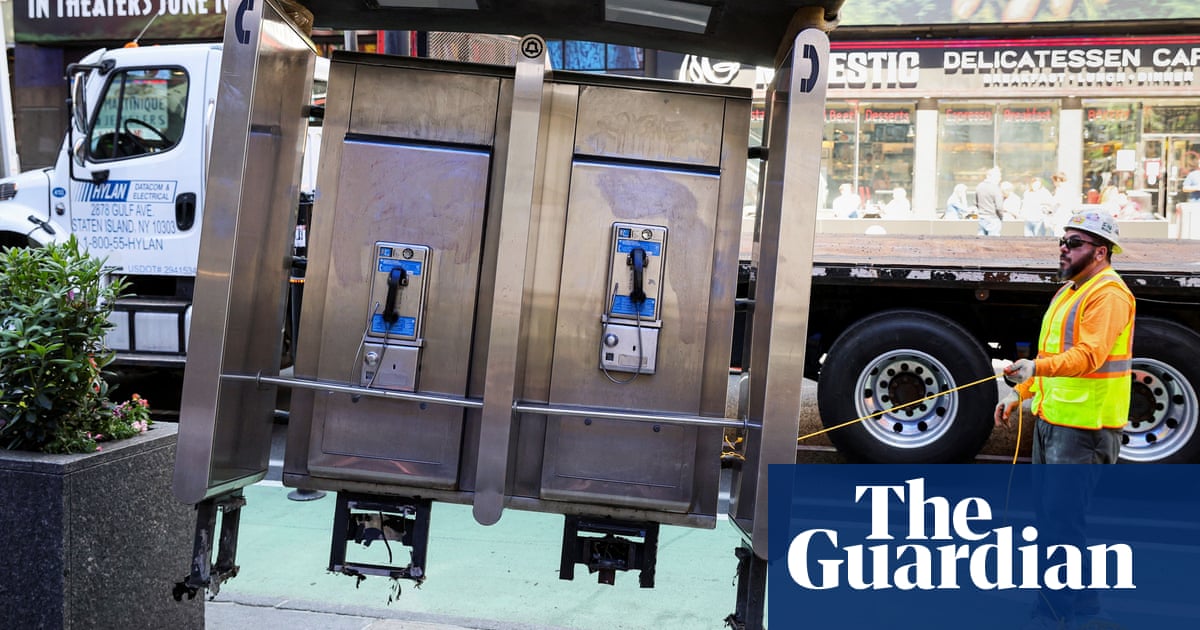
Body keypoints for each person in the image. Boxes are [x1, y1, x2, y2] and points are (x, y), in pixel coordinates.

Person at [994, 210, 1135, 630]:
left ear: (1100, 251)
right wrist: (1022, 392)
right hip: (1056, 421)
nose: (1063, 248)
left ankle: (1053, 613)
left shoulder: (1107, 294)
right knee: (1058, 522)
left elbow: (1088, 356)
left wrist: (1034, 371)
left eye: (1074, 243)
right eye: (1063, 240)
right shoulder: (1072, 291)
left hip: (1085, 429)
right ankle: (1088, 608)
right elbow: (1051, 354)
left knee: (1059, 527)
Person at [974, 167, 1004, 236]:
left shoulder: (979, 186)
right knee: (994, 243)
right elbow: (999, 207)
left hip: (981, 218)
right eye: (998, 176)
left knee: (981, 242)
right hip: (993, 219)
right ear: (990, 176)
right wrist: (1001, 217)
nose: (1000, 178)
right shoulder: (995, 188)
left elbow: (976, 203)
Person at [1045, 172, 1076, 236]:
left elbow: (1055, 203)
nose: (1054, 183)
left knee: (1059, 235)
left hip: (1061, 216)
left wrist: (1047, 206)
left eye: (1054, 181)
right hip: (1067, 215)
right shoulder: (1070, 188)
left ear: (1058, 180)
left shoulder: (1061, 189)